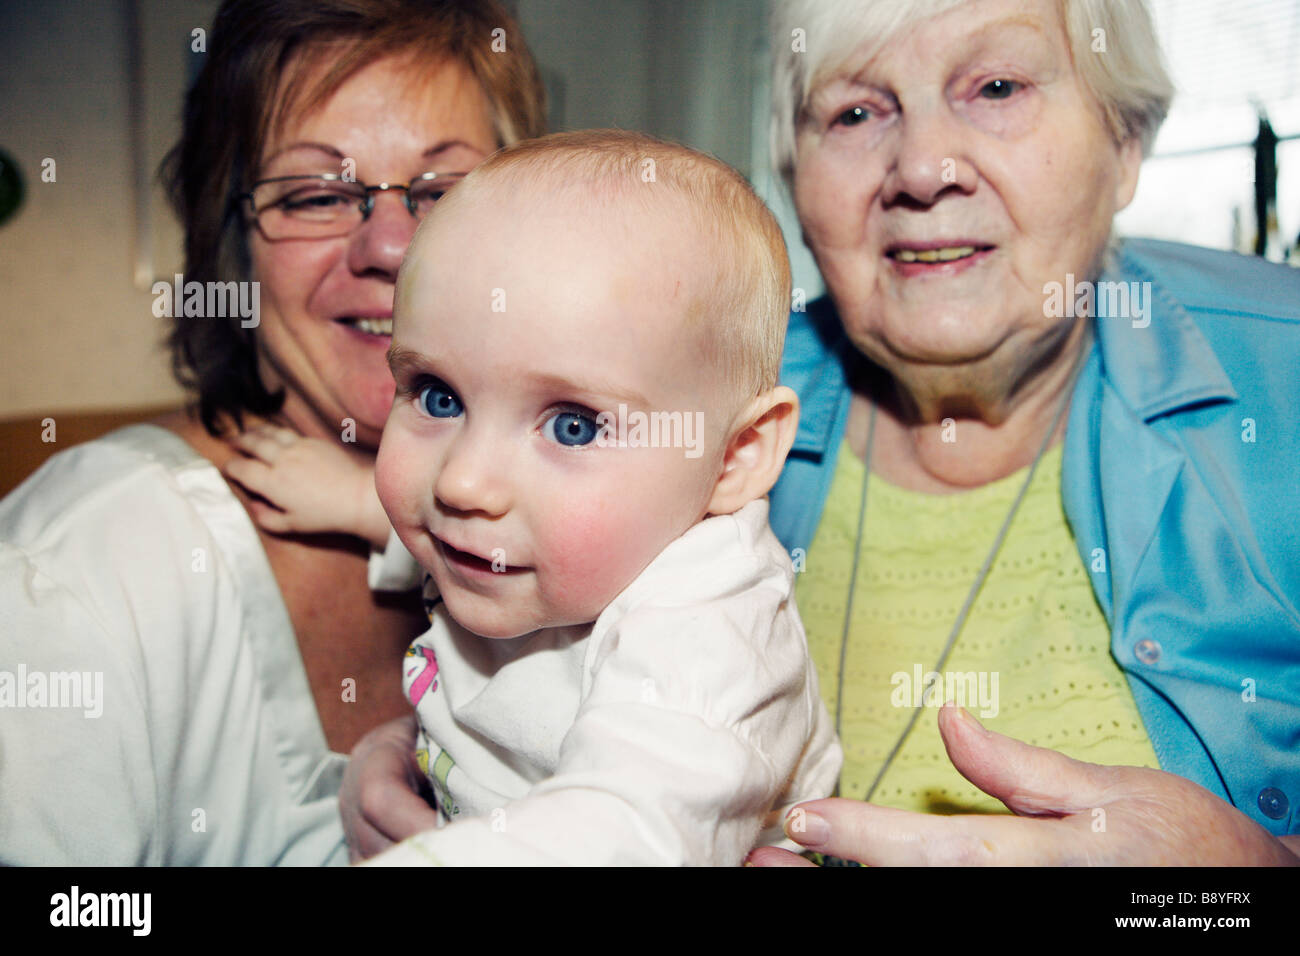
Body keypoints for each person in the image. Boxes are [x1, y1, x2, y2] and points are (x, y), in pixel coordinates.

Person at [747, 0, 1300, 865]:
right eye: (855, 111)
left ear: (1124, 145)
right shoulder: (711, 410)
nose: (923, 169)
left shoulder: (1286, 375)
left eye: (996, 86)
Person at [0, 0, 545, 865]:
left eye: (445, 191)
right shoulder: (80, 573)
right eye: (319, 195)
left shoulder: (589, 528)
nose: (394, 245)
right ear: (233, 248)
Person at [238, 130, 840, 866]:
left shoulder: (710, 633)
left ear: (736, 457)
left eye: (573, 425)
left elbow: (622, 833)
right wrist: (356, 503)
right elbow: (450, 545)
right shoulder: (525, 541)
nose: (462, 482)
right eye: (437, 395)